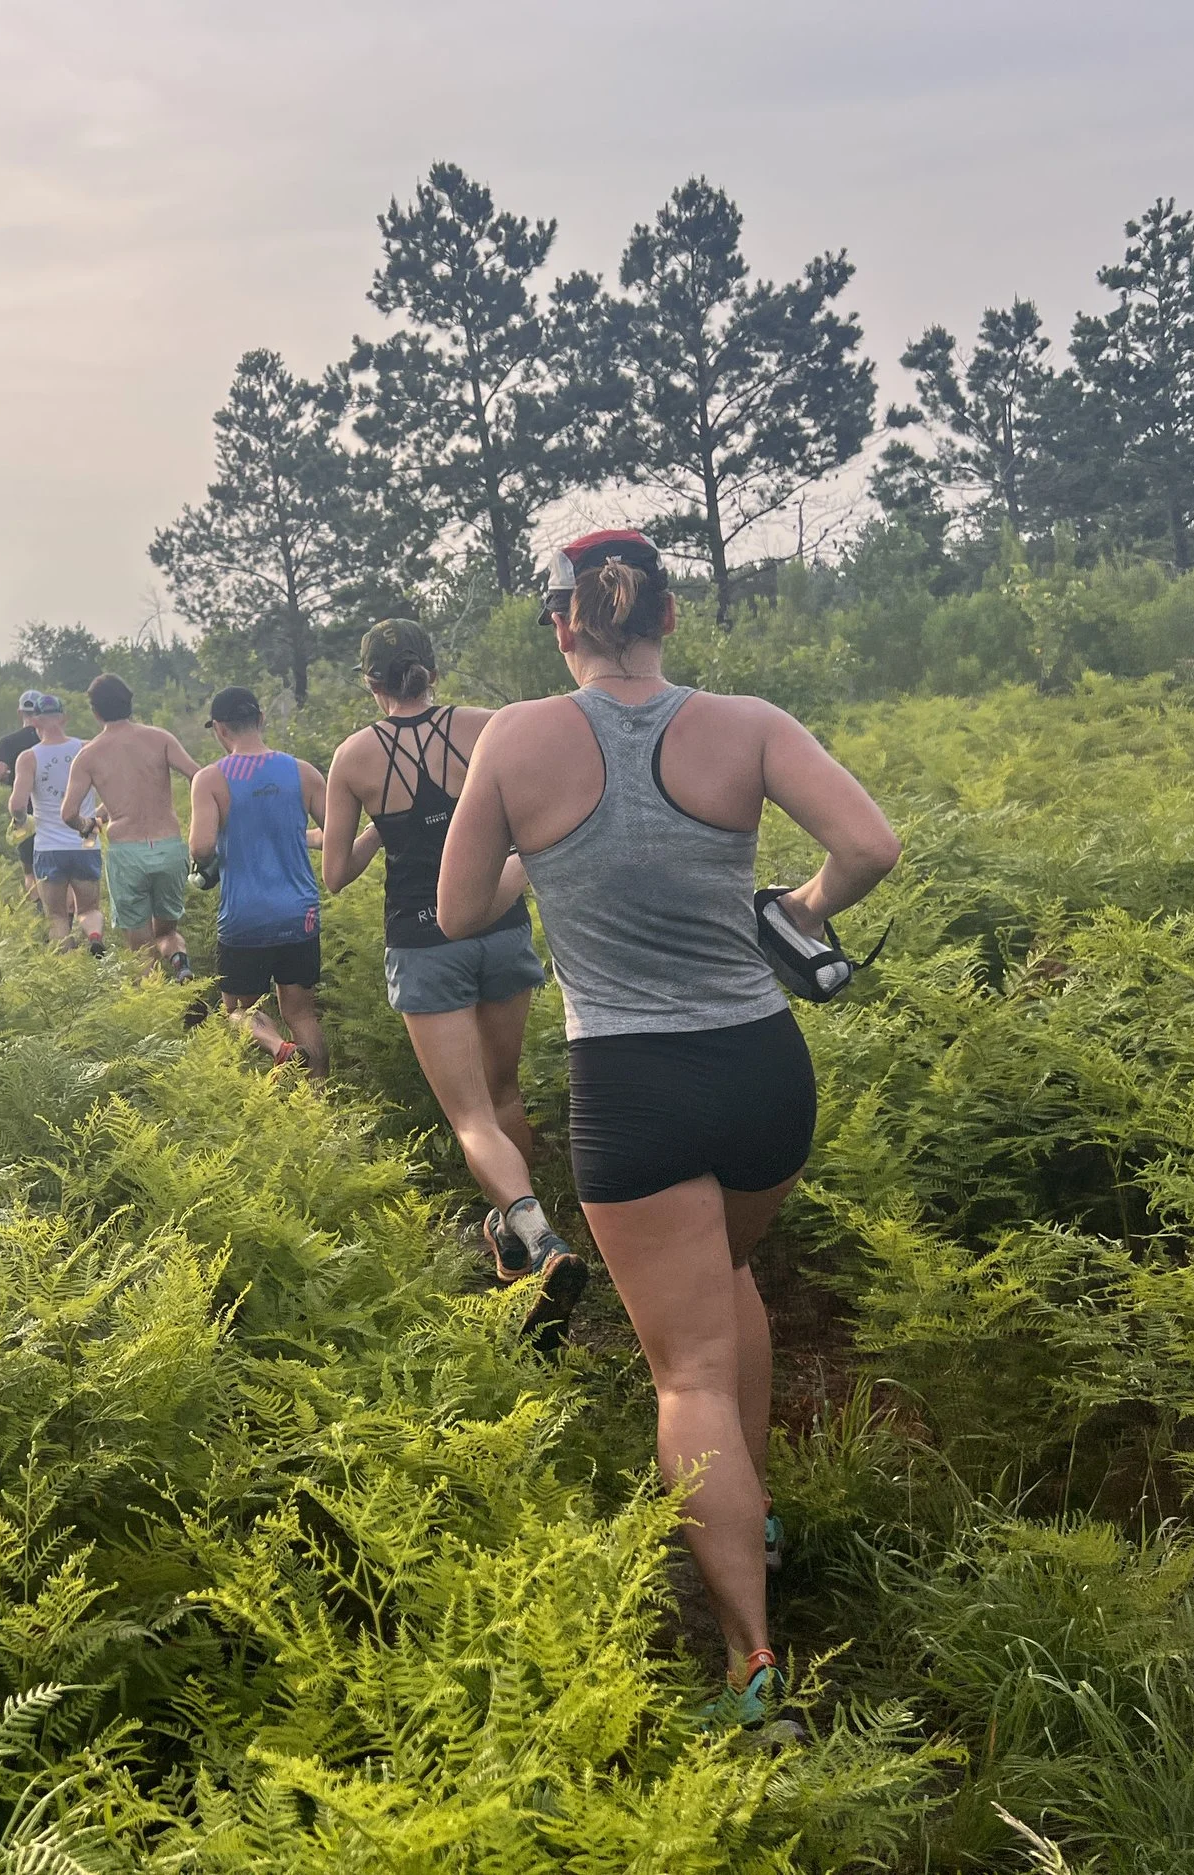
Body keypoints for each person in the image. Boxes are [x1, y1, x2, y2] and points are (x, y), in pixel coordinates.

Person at [438, 529, 901, 1725]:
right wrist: (792, 909)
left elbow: (452, 909)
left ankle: (750, 1661)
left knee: (682, 1370)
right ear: (670, 616)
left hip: (629, 1086)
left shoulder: (515, 737)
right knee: (731, 1272)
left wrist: (547, 861)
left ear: (561, 625)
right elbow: (869, 847)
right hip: (760, 1068)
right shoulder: (748, 723)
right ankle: (758, 1511)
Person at [321, 619, 584, 1348]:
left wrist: (384, 822)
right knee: (505, 1097)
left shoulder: (353, 757)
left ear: (370, 681)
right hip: (500, 929)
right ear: (432, 671)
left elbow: (336, 875)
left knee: (470, 1117)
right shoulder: (489, 726)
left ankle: (540, 1239)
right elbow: (535, 820)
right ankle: (511, 1235)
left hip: (423, 944)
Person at [187, 686, 329, 1077]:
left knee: (238, 1010)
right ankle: (318, 1106)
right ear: (261, 719)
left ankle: (278, 1047)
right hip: (300, 911)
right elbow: (335, 833)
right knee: (302, 1011)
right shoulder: (303, 772)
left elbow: (200, 848)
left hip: (245, 916)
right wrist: (299, 837)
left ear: (219, 728)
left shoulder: (212, 778)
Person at [62, 673, 199, 981]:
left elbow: (68, 813)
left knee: (140, 948)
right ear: (130, 702)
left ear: (95, 711)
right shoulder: (160, 738)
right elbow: (197, 775)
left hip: (127, 854)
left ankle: (155, 1013)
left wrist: (88, 824)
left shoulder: (89, 755)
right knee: (168, 931)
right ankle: (179, 960)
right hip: (168, 846)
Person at [7, 694, 106, 954]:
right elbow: (113, 794)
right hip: (86, 840)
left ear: (34, 721)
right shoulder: (87, 748)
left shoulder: (28, 758)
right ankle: (95, 936)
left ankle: (68, 972)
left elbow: (17, 805)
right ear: (64, 717)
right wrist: (95, 819)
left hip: (49, 846)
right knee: (90, 909)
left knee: (57, 917)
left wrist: (22, 822)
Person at [0, 691, 46, 903]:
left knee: (30, 872)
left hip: (25, 813)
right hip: (55, 813)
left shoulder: (9, 742)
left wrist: (9, 779)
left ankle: (40, 911)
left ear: (20, 712)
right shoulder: (54, 741)